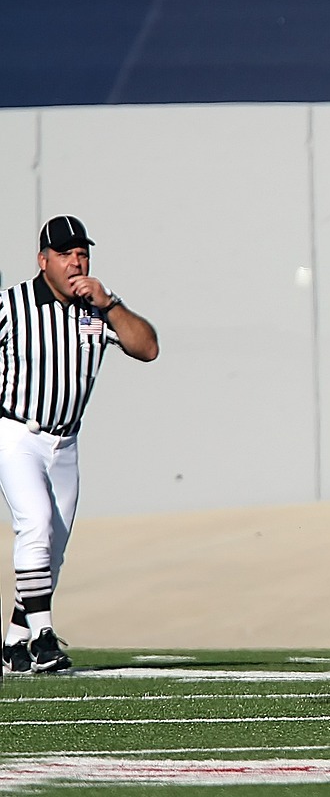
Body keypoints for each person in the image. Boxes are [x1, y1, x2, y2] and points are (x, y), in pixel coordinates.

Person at [0, 216, 159, 674]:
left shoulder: (96, 308)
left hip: (65, 441)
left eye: (82, 253)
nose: (76, 261)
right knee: (35, 523)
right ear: (42, 260)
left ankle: (14, 642)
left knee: (54, 545)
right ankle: (44, 636)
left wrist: (110, 304)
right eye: (66, 253)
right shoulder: (13, 305)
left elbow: (147, 348)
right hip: (17, 432)